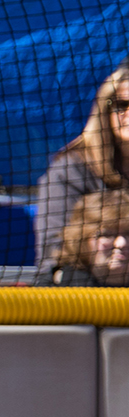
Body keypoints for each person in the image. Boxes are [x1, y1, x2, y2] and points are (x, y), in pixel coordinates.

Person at [37, 63, 129, 281]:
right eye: (122, 104)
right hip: (86, 289)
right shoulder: (70, 169)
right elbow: (54, 255)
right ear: (105, 109)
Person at [48, 189, 129, 286]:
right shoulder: (53, 288)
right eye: (107, 235)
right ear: (82, 241)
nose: (121, 243)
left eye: (128, 234)